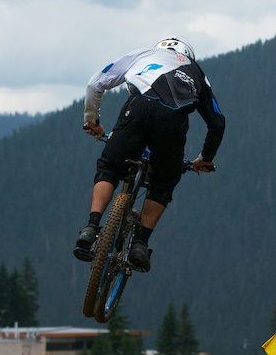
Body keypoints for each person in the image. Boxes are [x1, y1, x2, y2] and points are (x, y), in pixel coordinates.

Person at [74, 35, 225, 271]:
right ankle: (140, 245)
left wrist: (92, 121)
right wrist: (204, 158)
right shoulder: (197, 72)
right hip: (173, 121)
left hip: (139, 106)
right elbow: (217, 123)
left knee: (110, 167)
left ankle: (91, 227)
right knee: (163, 182)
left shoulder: (143, 54)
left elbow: (95, 84)